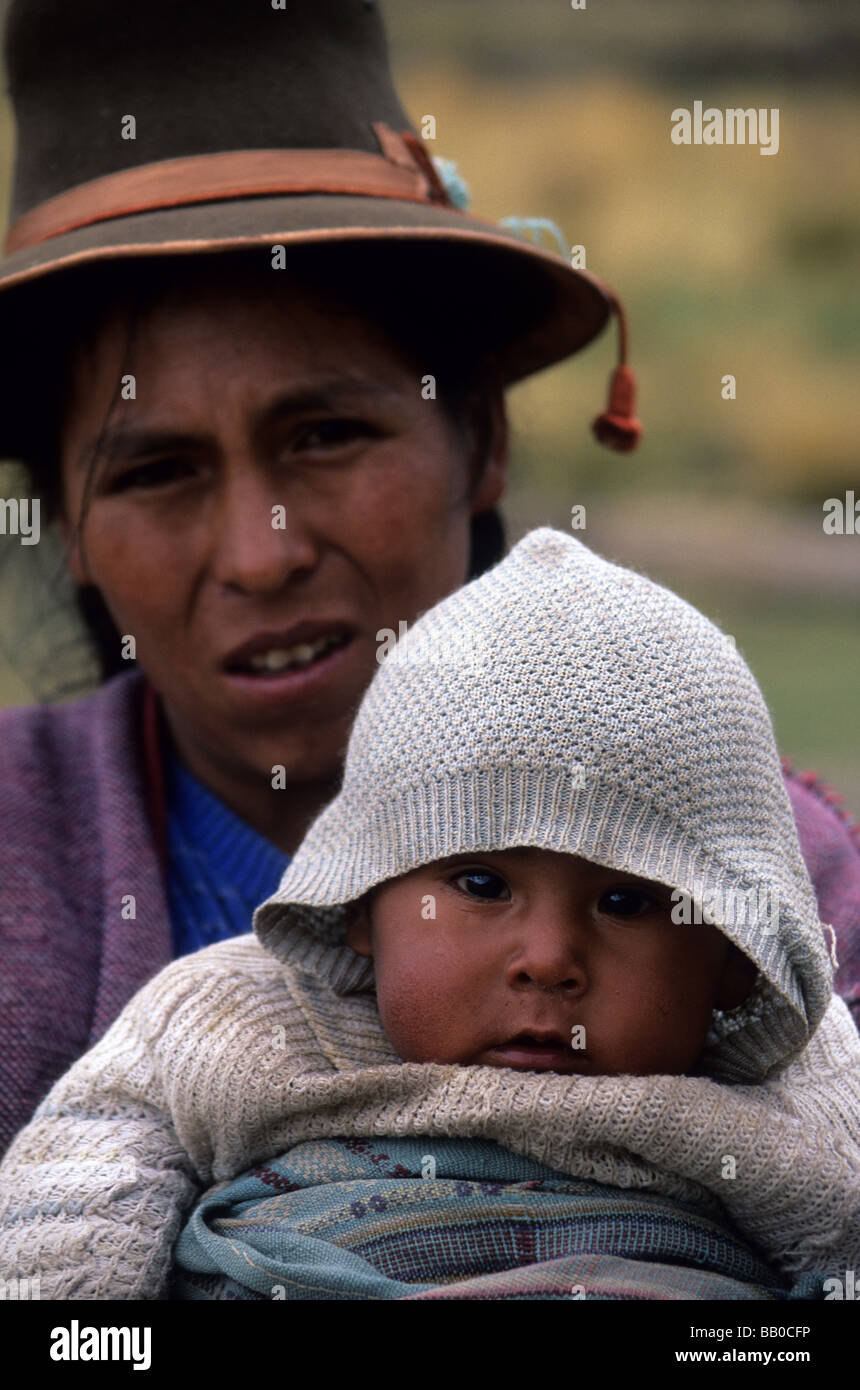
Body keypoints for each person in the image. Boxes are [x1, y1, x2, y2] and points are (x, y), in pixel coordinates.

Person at [0, 0, 858, 1161]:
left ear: (481, 442)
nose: (263, 551)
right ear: (68, 527)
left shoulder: (766, 887)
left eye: (326, 437)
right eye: (156, 470)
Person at [1, 529, 857, 1301]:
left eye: (626, 902)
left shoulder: (790, 1079)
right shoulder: (240, 1016)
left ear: (733, 959)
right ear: (364, 901)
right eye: (481, 885)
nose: (549, 959)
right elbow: (86, 1177)